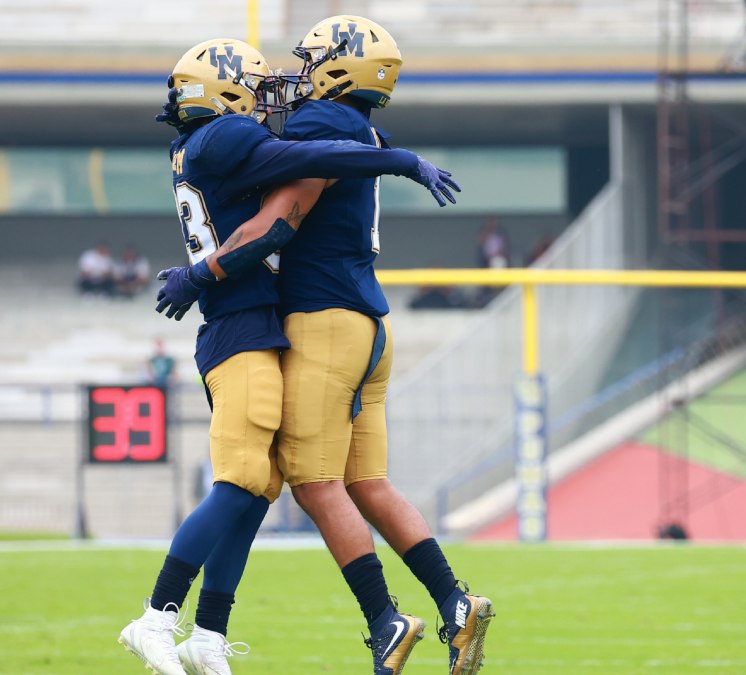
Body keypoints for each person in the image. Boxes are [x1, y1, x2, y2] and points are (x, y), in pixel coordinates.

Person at [126, 37, 460, 675]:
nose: (267, 96)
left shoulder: (203, 144)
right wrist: (395, 158)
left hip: (258, 327)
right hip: (241, 330)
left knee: (258, 491)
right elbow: (299, 157)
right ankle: (156, 615)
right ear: (222, 94)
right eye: (251, 87)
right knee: (243, 485)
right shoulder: (219, 137)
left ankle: (208, 635)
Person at [273, 17, 492, 675]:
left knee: (313, 482)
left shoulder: (324, 126)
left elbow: (278, 201)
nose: (303, 74)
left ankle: (384, 618)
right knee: (365, 480)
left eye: (315, 63)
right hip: (369, 323)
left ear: (342, 68)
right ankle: (454, 601)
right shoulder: (362, 129)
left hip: (324, 319)